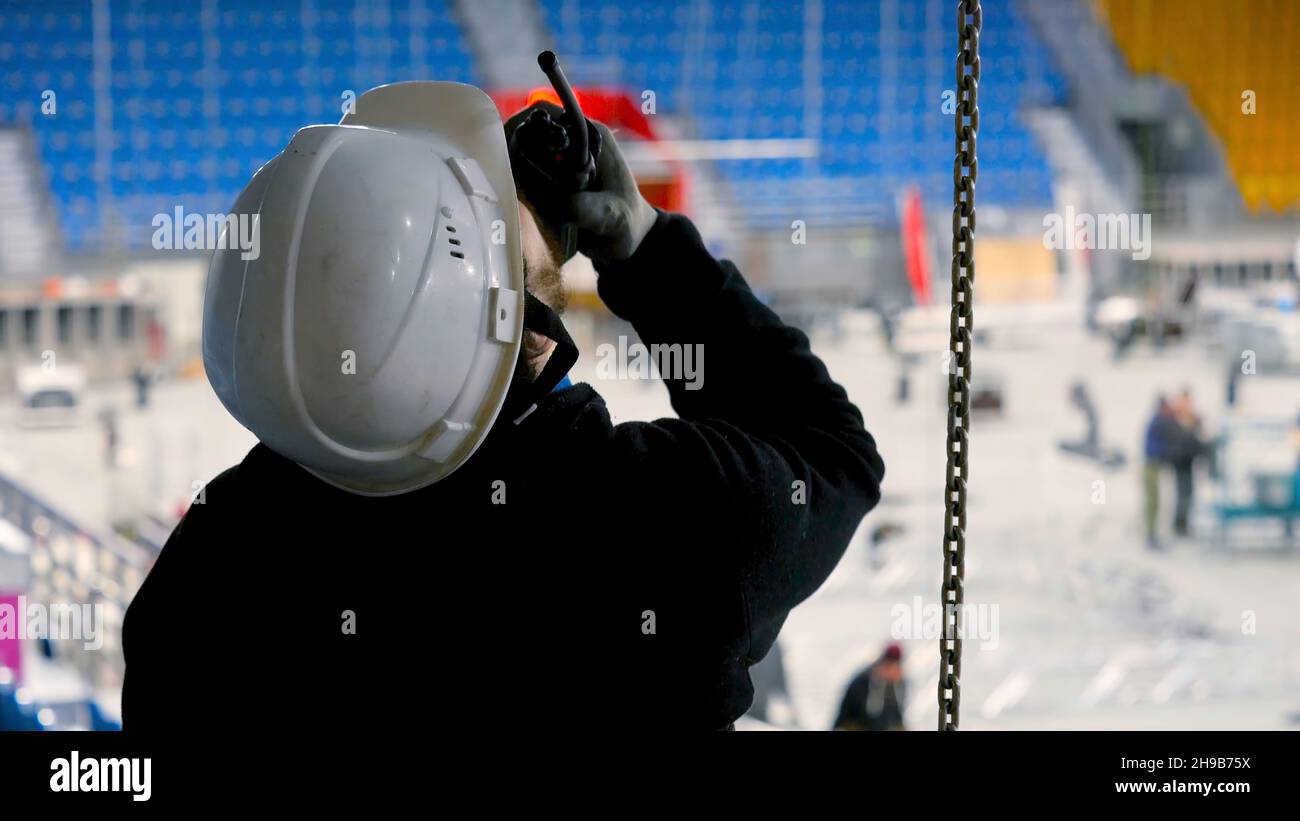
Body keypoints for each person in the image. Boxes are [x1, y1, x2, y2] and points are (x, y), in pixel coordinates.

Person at [121, 82, 885, 732]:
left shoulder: (204, 585)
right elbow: (830, 448)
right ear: (528, 332)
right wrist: (646, 251)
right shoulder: (649, 521)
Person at [833, 643, 906, 731]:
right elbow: (845, 716)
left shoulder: (898, 686)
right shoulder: (862, 683)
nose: (896, 673)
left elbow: (897, 717)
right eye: (890, 667)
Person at [1142, 396, 1179, 549]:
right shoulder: (1157, 423)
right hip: (1151, 467)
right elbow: (1151, 448)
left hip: (1154, 467)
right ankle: (1150, 533)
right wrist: (1166, 451)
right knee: (1152, 502)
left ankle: (1152, 532)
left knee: (1155, 502)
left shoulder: (1161, 422)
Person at [1171, 389, 1205, 537]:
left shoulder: (1193, 418)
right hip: (1180, 461)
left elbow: (1198, 438)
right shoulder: (1175, 418)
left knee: (1188, 493)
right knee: (1182, 493)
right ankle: (1179, 524)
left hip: (1189, 461)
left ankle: (1184, 523)